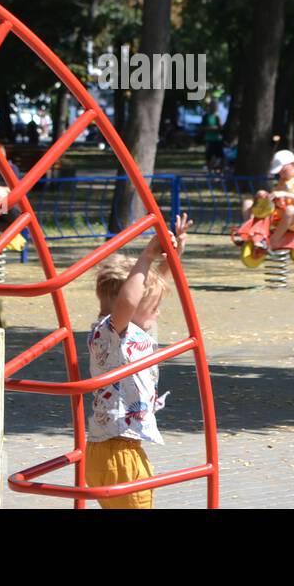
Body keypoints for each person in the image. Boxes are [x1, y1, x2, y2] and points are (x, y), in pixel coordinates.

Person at [85, 213, 191, 509]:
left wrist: (174, 250)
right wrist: (146, 254)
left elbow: (155, 283)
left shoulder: (126, 328)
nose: (158, 312)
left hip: (117, 449)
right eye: (154, 306)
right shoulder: (112, 330)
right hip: (118, 452)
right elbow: (131, 301)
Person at [241, 149, 294, 251]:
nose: (280, 174)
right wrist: (266, 195)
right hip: (277, 215)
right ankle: (251, 234)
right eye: (279, 172)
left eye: (283, 170)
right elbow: (275, 197)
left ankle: (273, 241)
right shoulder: (282, 180)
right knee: (248, 203)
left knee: (290, 210)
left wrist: (284, 193)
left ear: (293, 164)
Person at [202, 105, 224, 171]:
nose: (214, 108)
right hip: (209, 139)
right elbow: (203, 127)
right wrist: (211, 128)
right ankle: (209, 170)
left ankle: (217, 170)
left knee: (219, 156)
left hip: (217, 139)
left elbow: (220, 127)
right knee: (209, 156)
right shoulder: (206, 116)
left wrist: (213, 128)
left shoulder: (218, 116)